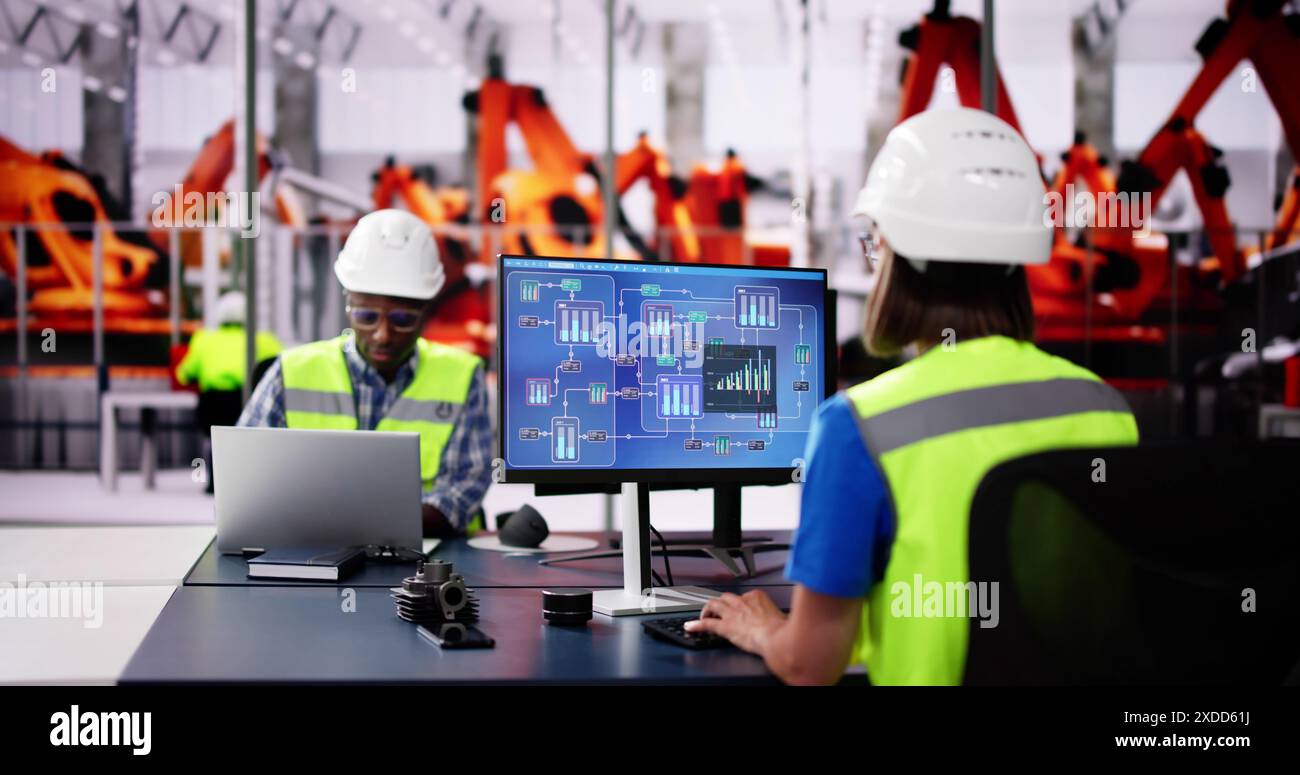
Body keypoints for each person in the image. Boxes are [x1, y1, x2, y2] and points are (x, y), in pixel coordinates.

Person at [684, 108, 1139, 685]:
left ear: (899, 257)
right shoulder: (1104, 407)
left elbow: (810, 665)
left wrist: (761, 627)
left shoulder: (859, 425)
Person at [238, 209, 493, 538]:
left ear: (426, 312)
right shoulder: (290, 372)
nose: (383, 334)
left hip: (431, 561)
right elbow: (246, 486)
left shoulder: (462, 376)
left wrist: (356, 525)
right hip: (309, 550)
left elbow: (462, 491)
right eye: (366, 316)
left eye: (402, 319)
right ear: (348, 303)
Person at [176, 290, 283, 493]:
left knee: (214, 438)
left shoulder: (204, 340)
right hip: (246, 403)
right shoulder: (265, 340)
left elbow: (185, 373)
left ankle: (212, 483)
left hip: (212, 404)